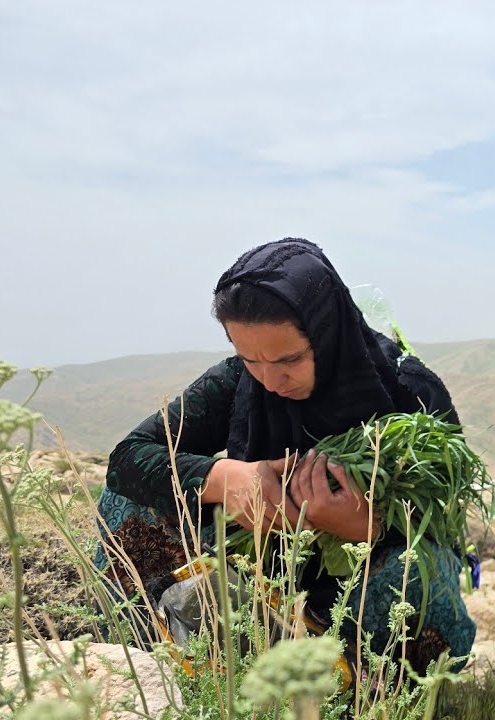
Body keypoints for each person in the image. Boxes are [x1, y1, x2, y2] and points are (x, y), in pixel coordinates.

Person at [96, 238, 474, 672]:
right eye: (251, 359)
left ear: (327, 332)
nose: (270, 379)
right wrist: (228, 479)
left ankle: (368, 689)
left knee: (414, 574)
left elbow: (443, 522)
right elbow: (127, 457)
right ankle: (147, 660)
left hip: (348, 611)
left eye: (289, 359)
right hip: (258, 580)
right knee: (128, 499)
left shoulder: (409, 393)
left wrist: (369, 531)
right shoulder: (242, 380)